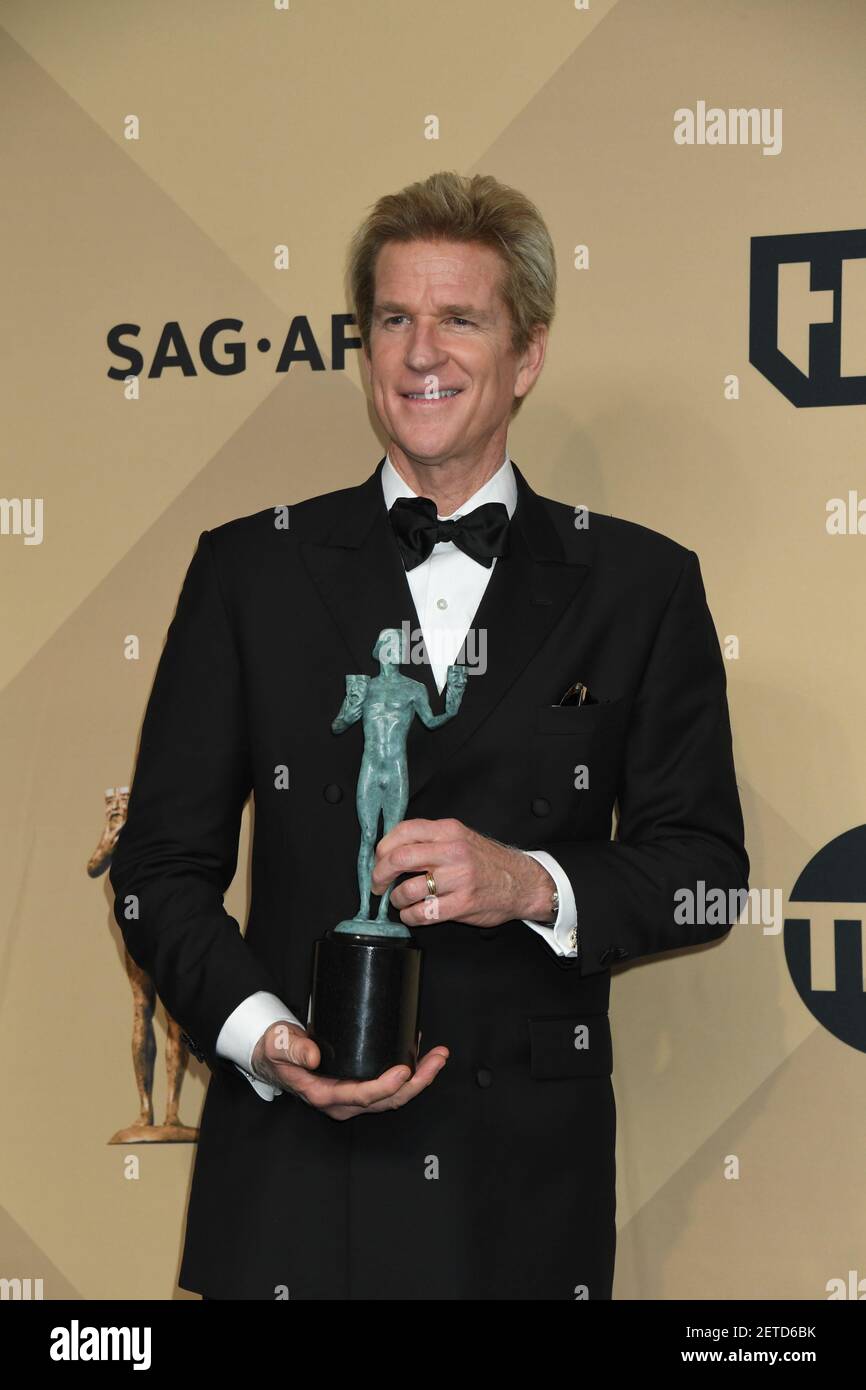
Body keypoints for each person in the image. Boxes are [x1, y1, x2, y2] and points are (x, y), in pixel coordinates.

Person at [109, 170, 749, 1300]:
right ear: (363, 348)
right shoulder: (248, 571)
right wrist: (264, 1040)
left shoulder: (641, 584)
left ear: (526, 353)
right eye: (393, 319)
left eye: (460, 318)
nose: (420, 354)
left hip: (521, 1193)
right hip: (293, 1187)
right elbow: (159, 867)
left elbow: (699, 864)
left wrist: (530, 881)